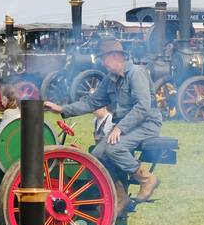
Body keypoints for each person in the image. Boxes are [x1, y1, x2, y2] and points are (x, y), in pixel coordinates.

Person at [45, 38, 163, 209]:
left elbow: (143, 107)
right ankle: (120, 197)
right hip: (127, 126)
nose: (102, 63)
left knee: (114, 148)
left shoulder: (136, 73)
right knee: (96, 157)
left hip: (146, 124)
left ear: (116, 56)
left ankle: (147, 179)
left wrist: (119, 128)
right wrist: (62, 108)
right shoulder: (111, 79)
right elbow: (91, 102)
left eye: (103, 59)